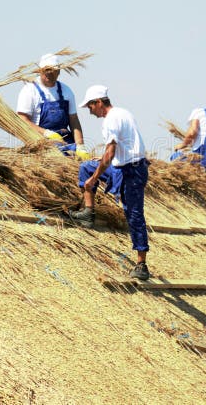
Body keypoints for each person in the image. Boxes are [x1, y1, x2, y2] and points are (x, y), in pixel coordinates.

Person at [68, 85, 151, 281]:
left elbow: (111, 152)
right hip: (123, 166)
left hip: (132, 171)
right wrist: (105, 162)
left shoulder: (110, 121)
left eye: (90, 106)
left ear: (98, 103)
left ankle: (142, 264)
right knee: (86, 167)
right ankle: (88, 213)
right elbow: (124, 147)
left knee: (134, 214)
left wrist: (95, 178)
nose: (89, 111)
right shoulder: (124, 113)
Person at [16, 53, 89, 160]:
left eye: (53, 71)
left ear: (59, 71)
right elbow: (22, 120)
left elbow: (74, 121)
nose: (49, 74)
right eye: (46, 70)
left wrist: (80, 145)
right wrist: (46, 133)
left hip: (65, 140)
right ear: (40, 70)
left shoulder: (66, 91)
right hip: (40, 141)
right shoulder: (29, 90)